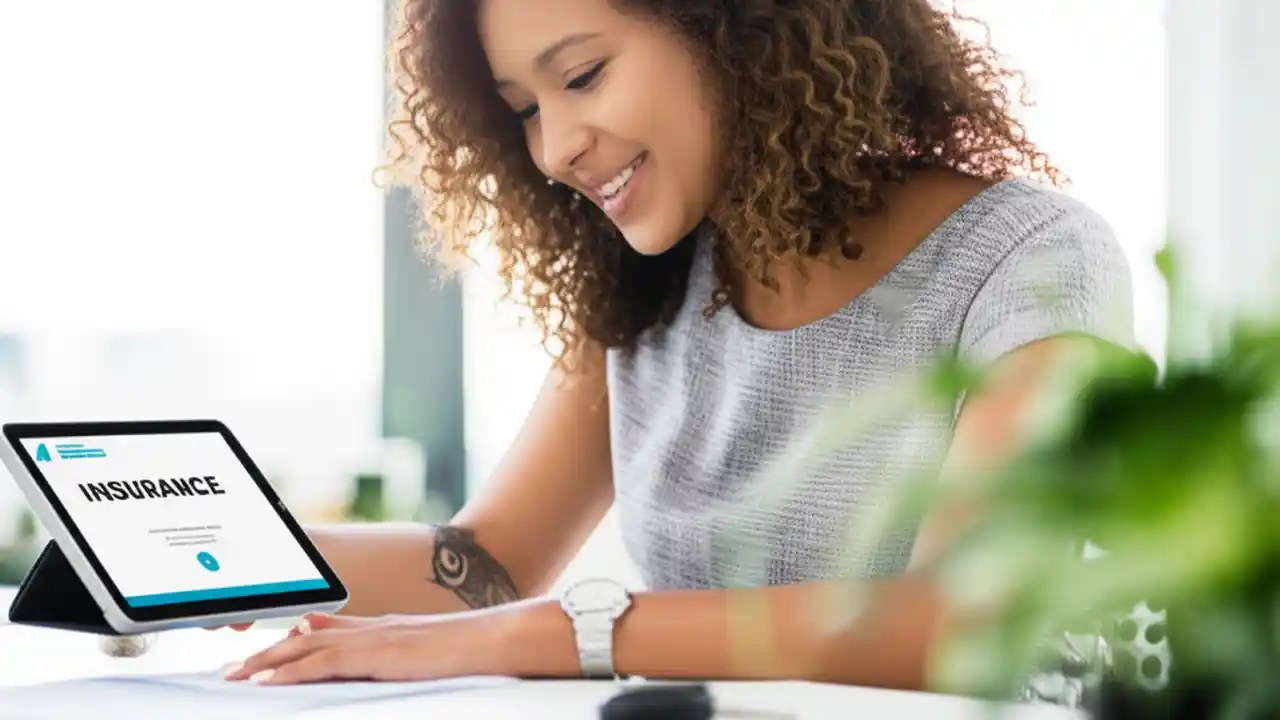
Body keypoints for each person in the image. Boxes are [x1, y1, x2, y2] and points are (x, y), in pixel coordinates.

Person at [218, 0, 1133, 688]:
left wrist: (544, 635)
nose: (554, 149)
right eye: (524, 108)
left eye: (579, 77)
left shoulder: (1032, 259)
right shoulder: (644, 284)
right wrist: (233, 556)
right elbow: (484, 568)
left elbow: (958, 620)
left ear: (737, 28)